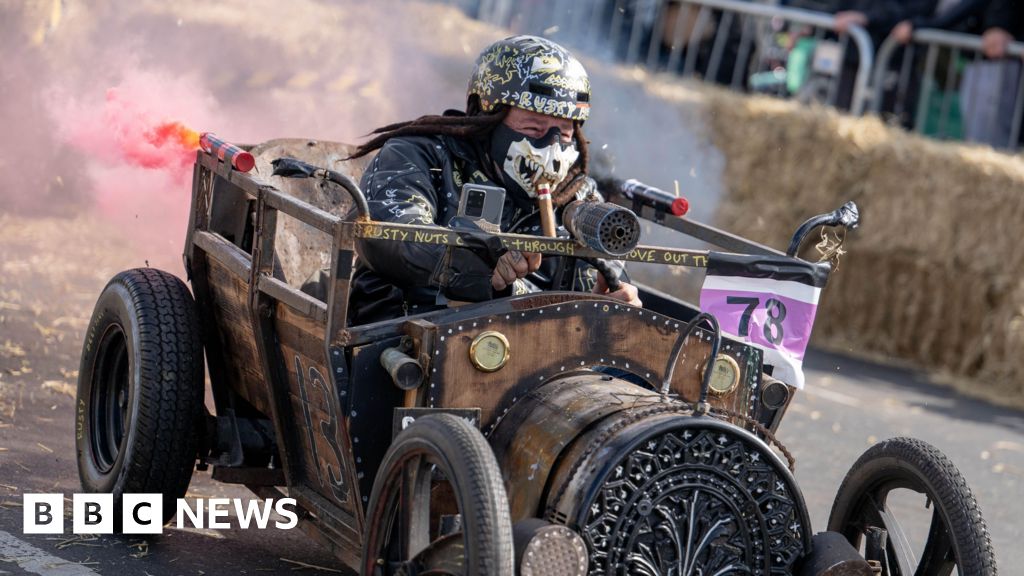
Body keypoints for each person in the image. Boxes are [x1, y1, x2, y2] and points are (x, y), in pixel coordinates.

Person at [345, 35, 642, 325]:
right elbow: (386, 236)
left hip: (536, 352)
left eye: (564, 132)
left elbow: (587, 297)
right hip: (404, 331)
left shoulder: (579, 196)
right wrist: (476, 267)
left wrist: (606, 306)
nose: (552, 149)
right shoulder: (420, 154)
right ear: (487, 117)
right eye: (533, 128)